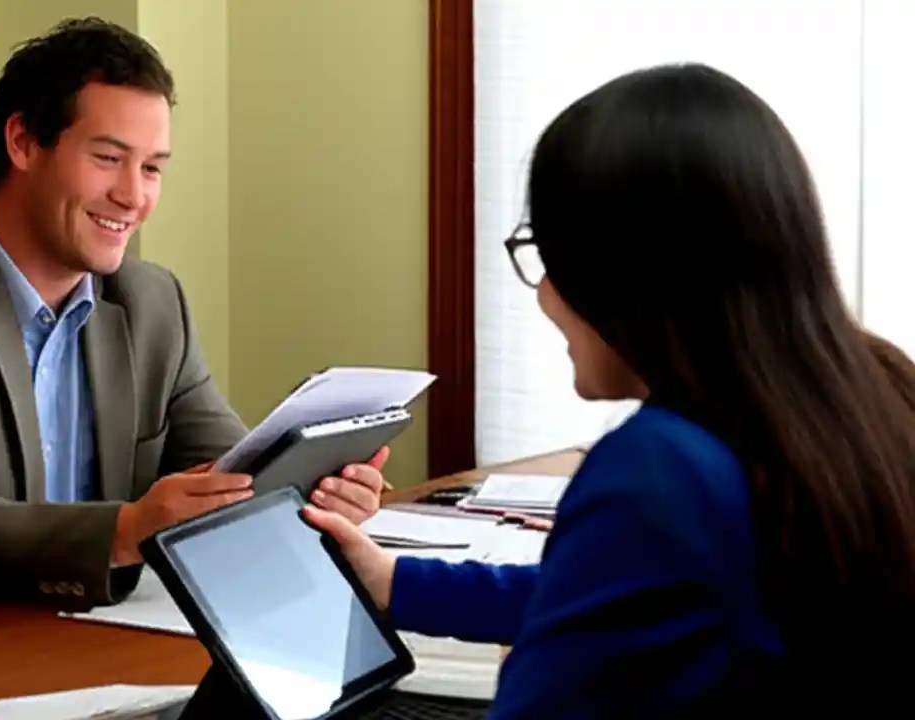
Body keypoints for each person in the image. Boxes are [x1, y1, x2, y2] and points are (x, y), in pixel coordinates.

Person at [306, 62, 915, 716]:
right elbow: (620, 592)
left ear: (622, 264)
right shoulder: (879, 390)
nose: (543, 291)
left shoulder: (660, 469)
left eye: (546, 253)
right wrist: (393, 581)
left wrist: (533, 660)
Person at [0, 17, 388, 621]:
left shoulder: (154, 301)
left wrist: (309, 492)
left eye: (152, 168)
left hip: (111, 634)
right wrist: (126, 529)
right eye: (109, 158)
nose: (133, 196)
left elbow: (225, 469)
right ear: (23, 142)